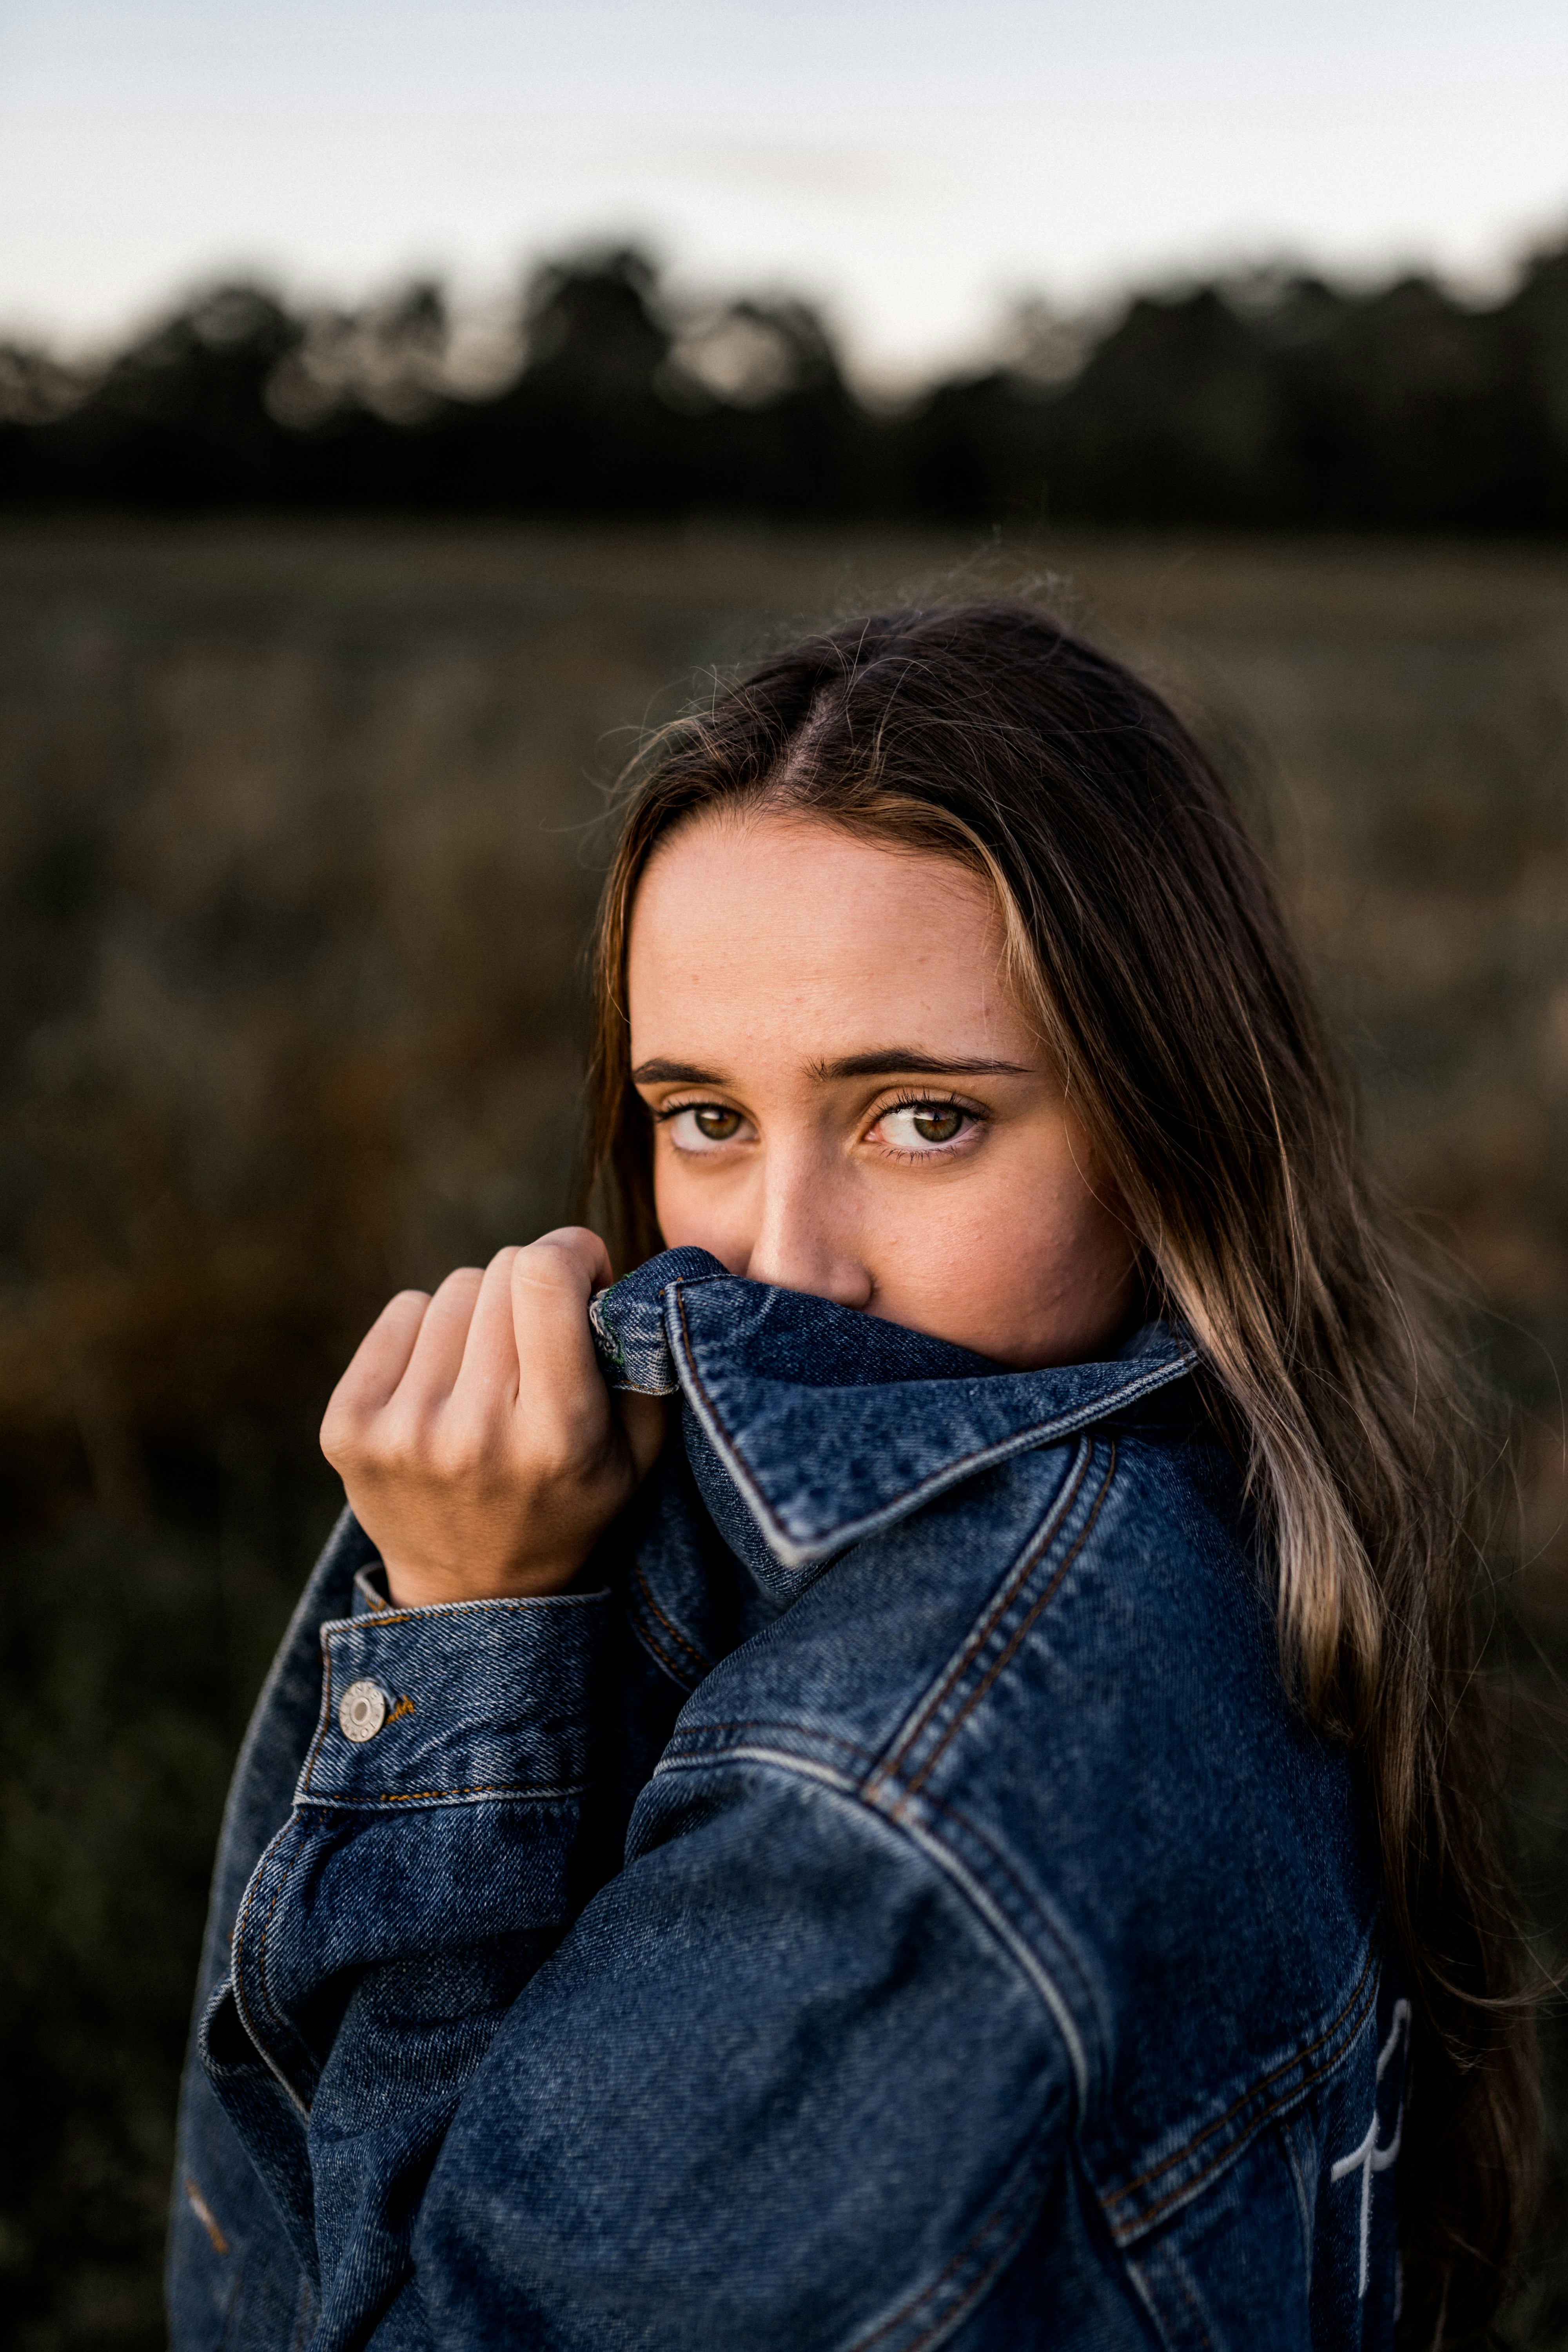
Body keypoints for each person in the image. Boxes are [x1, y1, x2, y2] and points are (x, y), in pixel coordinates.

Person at [167, 602, 1535, 2352]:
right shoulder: (1265, 1485)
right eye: (704, 1118)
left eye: (922, 1117)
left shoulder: (903, 1772)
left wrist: (464, 1654)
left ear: (1172, 1118)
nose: (780, 1264)